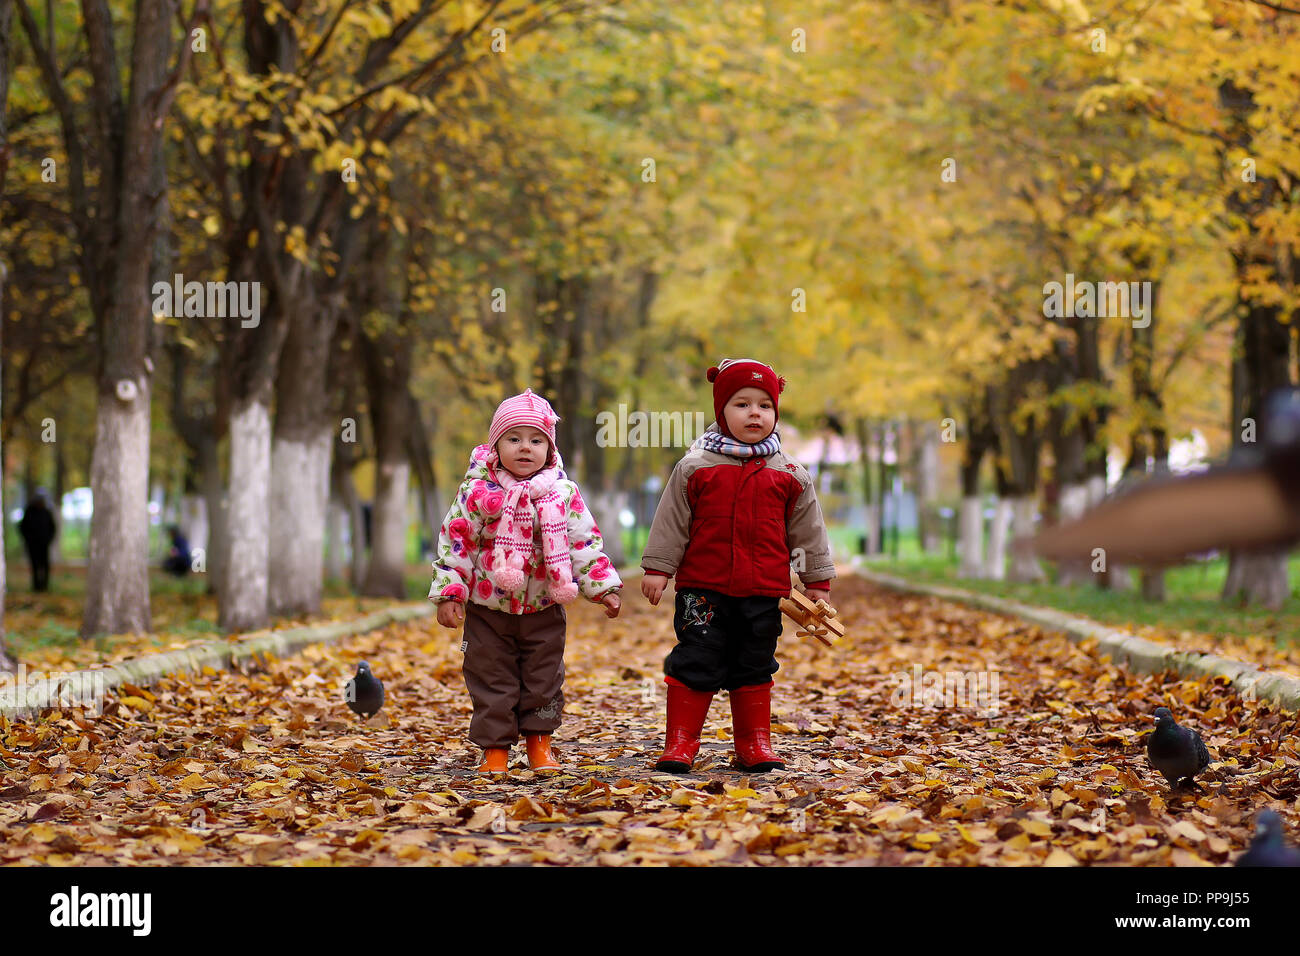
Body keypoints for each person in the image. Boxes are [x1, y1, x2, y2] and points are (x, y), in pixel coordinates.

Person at [641, 359, 835, 773]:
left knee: (755, 661)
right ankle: (681, 742)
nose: (755, 413)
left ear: (775, 414)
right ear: (721, 412)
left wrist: (816, 579)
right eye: (742, 404)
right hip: (702, 590)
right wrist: (659, 567)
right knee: (698, 657)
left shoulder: (789, 473)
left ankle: (754, 742)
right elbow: (672, 520)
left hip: (763, 591)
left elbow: (808, 531)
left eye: (765, 405)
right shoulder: (696, 467)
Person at [430, 388, 623, 774]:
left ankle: (540, 745)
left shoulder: (562, 493)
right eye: (513, 439)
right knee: (490, 677)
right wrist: (451, 591)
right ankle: (495, 751)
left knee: (544, 677)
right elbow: (457, 541)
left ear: (549, 450)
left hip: (544, 606)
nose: (525, 448)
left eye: (536, 440)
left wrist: (603, 587)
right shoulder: (479, 492)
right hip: (488, 608)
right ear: (495, 444)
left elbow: (583, 542)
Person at [19, 489, 57, 592]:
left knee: (45, 565)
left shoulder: (46, 512)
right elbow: (22, 527)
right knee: (35, 565)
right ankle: (36, 587)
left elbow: (53, 528)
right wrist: (28, 538)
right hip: (32, 545)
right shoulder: (29, 511)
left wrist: (48, 539)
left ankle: (44, 586)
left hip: (44, 544)